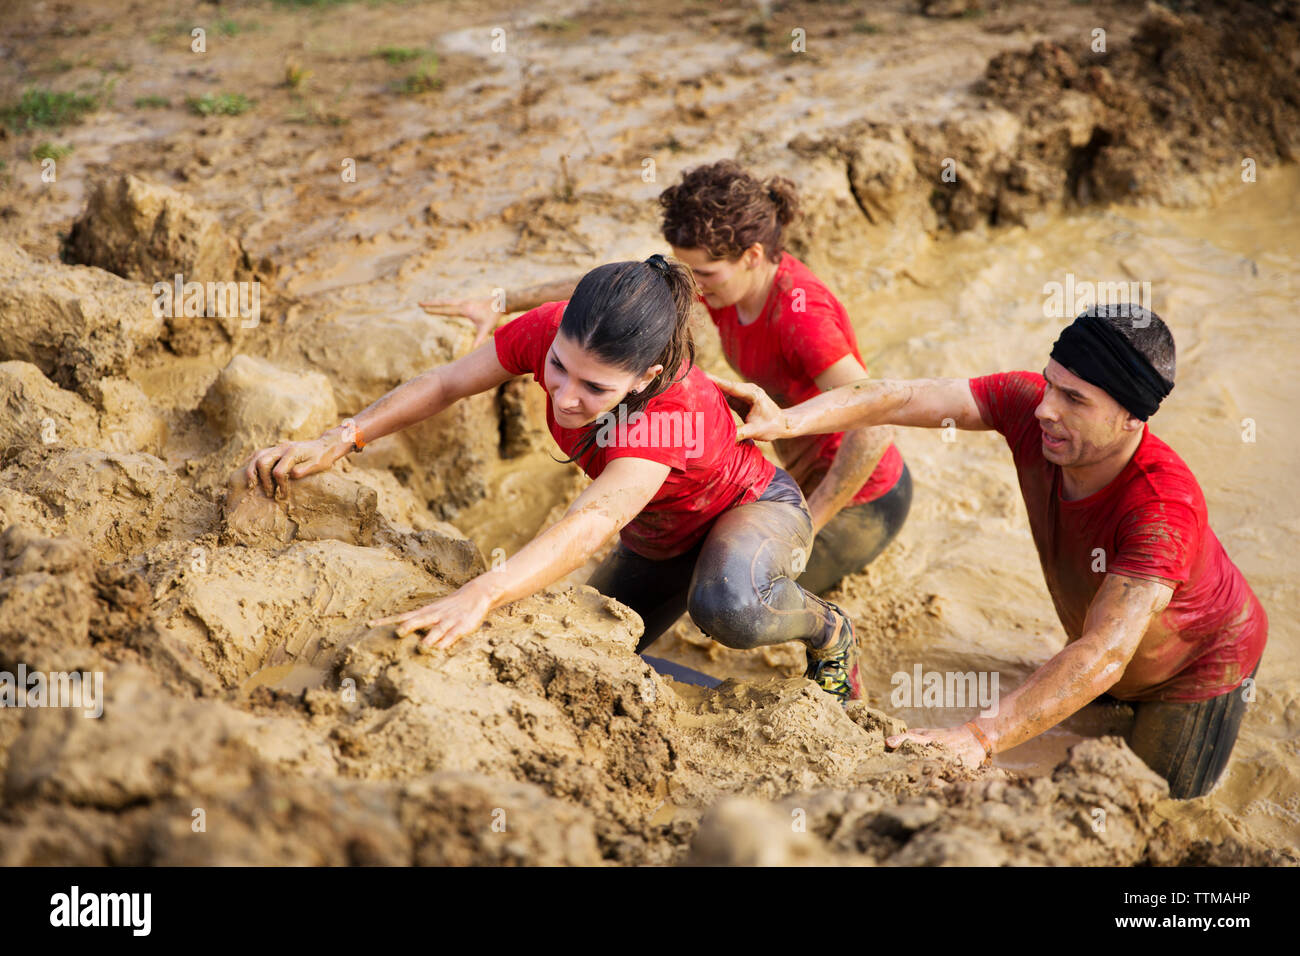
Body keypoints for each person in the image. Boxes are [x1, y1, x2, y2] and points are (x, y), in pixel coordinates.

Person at [243, 256, 864, 704]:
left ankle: (831, 632)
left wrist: (485, 590)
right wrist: (342, 436)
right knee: (598, 651)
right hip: (659, 532)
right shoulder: (553, 329)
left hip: (751, 507)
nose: (565, 397)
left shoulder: (669, 417)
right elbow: (446, 383)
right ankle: (721, 705)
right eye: (558, 368)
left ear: (645, 377)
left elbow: (590, 521)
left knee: (728, 606)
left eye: (595, 388)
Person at [714, 303, 1267, 798]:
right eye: (1050, 383)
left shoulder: (1163, 509)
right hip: (1109, 642)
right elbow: (900, 397)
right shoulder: (1030, 408)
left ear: (1132, 418)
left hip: (1198, 668)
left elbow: (1105, 652)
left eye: (1074, 398)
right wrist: (787, 420)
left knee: (1153, 807)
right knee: (1067, 721)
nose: (1046, 409)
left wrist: (978, 737)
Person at [422, 160, 910, 598]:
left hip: (861, 497)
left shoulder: (800, 317)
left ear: (752, 256)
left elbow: (877, 422)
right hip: (798, 473)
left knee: (746, 596)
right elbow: (616, 297)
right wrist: (502, 302)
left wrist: (813, 521)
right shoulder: (727, 285)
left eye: (704, 274)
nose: (692, 285)